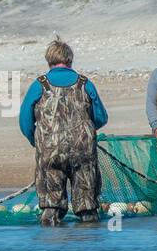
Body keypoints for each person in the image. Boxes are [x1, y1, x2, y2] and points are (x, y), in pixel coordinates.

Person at [18, 38, 109, 226]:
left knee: (51, 207)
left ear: (49, 60)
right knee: (87, 207)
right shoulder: (85, 83)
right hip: (83, 151)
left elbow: (25, 120)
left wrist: (35, 140)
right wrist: (86, 131)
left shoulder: (39, 85)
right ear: (70, 60)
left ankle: (54, 246)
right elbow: (101, 117)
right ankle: (88, 243)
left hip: (49, 151)